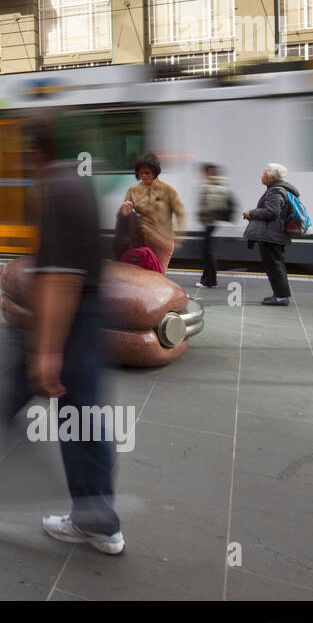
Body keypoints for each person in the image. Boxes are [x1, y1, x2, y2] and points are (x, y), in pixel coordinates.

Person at [10, 115, 123, 555]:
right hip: (89, 314)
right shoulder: (79, 183)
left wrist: (47, 352)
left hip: (74, 318)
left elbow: (61, 279)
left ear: (33, 151)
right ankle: (99, 518)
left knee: (78, 420)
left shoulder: (56, 188)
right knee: (86, 417)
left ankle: (95, 522)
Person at [117, 153, 185, 272]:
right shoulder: (133, 190)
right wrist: (125, 211)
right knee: (143, 276)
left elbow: (180, 213)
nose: (143, 176)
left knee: (159, 275)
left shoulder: (168, 190)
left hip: (163, 240)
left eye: (147, 172)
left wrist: (179, 237)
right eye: (140, 173)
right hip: (142, 240)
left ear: (155, 171)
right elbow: (125, 215)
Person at [243, 162, 298, 306]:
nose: (262, 176)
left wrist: (251, 213)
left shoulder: (275, 191)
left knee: (274, 265)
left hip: (271, 235)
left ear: (272, 177)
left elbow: (272, 212)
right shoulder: (276, 189)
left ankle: (281, 297)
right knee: (275, 265)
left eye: (264, 174)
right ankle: (279, 295)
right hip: (274, 234)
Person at [196, 163, 230, 289]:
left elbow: (208, 206)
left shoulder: (210, 186)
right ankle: (209, 281)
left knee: (207, 253)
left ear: (208, 172)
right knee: (208, 253)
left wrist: (202, 215)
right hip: (212, 222)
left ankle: (209, 282)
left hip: (209, 222)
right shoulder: (217, 185)